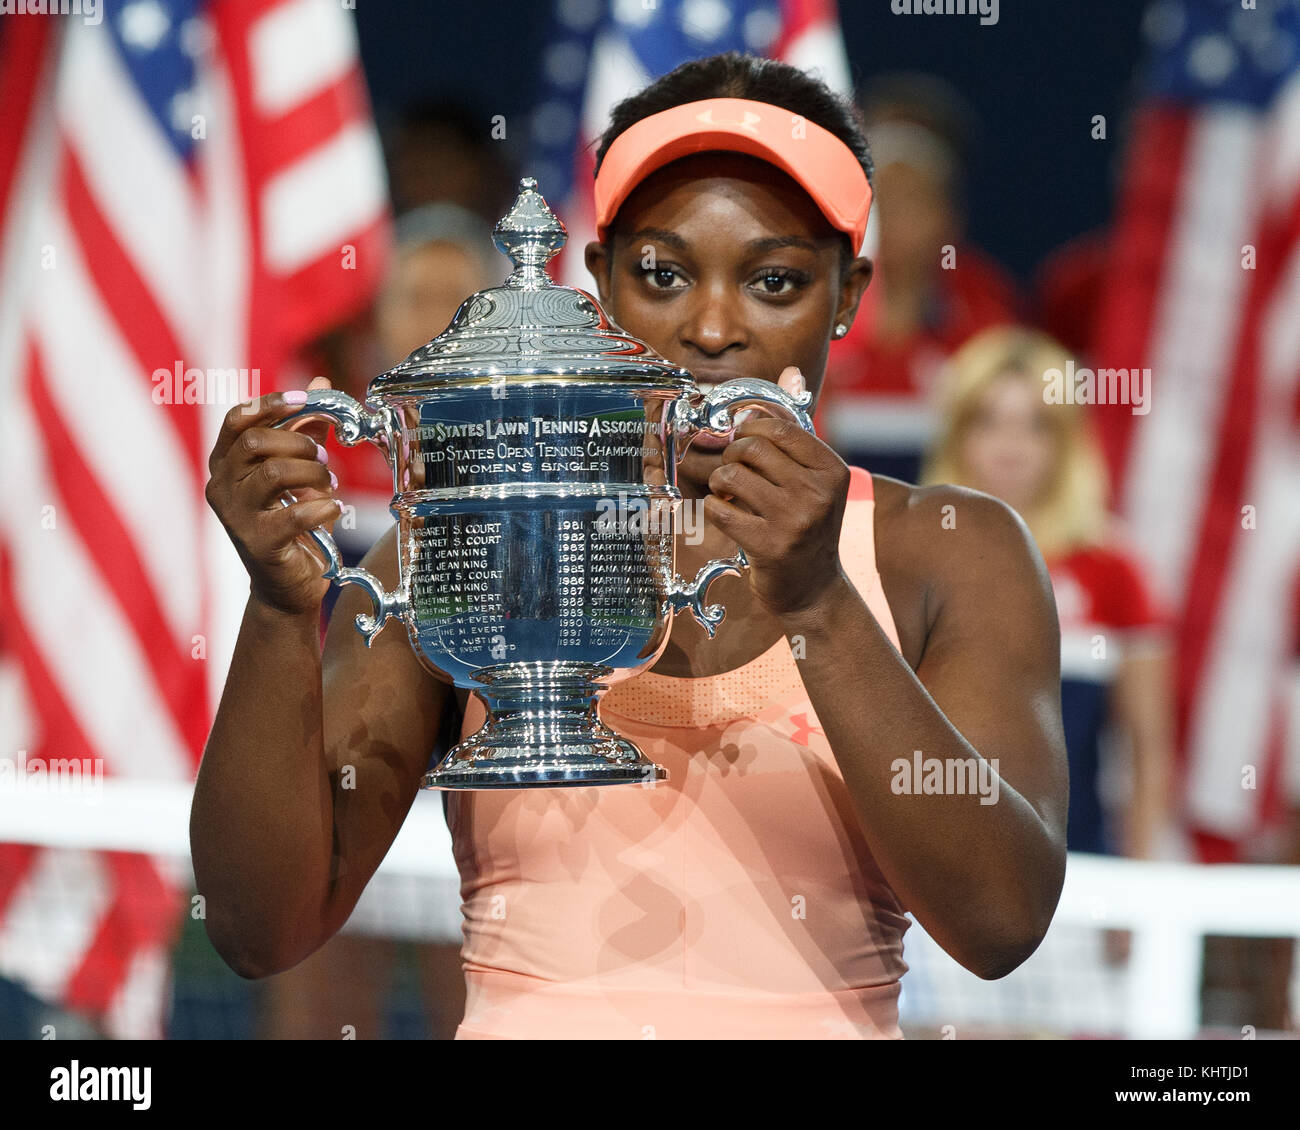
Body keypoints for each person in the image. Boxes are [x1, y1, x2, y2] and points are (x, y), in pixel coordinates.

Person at [193, 52, 1068, 1040]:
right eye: (661, 273)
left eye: (774, 279)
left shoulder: (951, 553)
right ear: (600, 283)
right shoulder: (465, 537)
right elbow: (259, 926)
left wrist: (819, 598)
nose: (710, 325)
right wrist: (276, 611)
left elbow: (1002, 920)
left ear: (846, 295)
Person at [920, 326, 1173, 865]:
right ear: (956, 435)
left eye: (1035, 427)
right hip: (937, 884)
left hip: (1082, 878)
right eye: (988, 423)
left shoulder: (1115, 569)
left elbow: (1149, 755)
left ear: (1066, 440)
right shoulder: (911, 557)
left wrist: (1140, 887)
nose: (1010, 448)